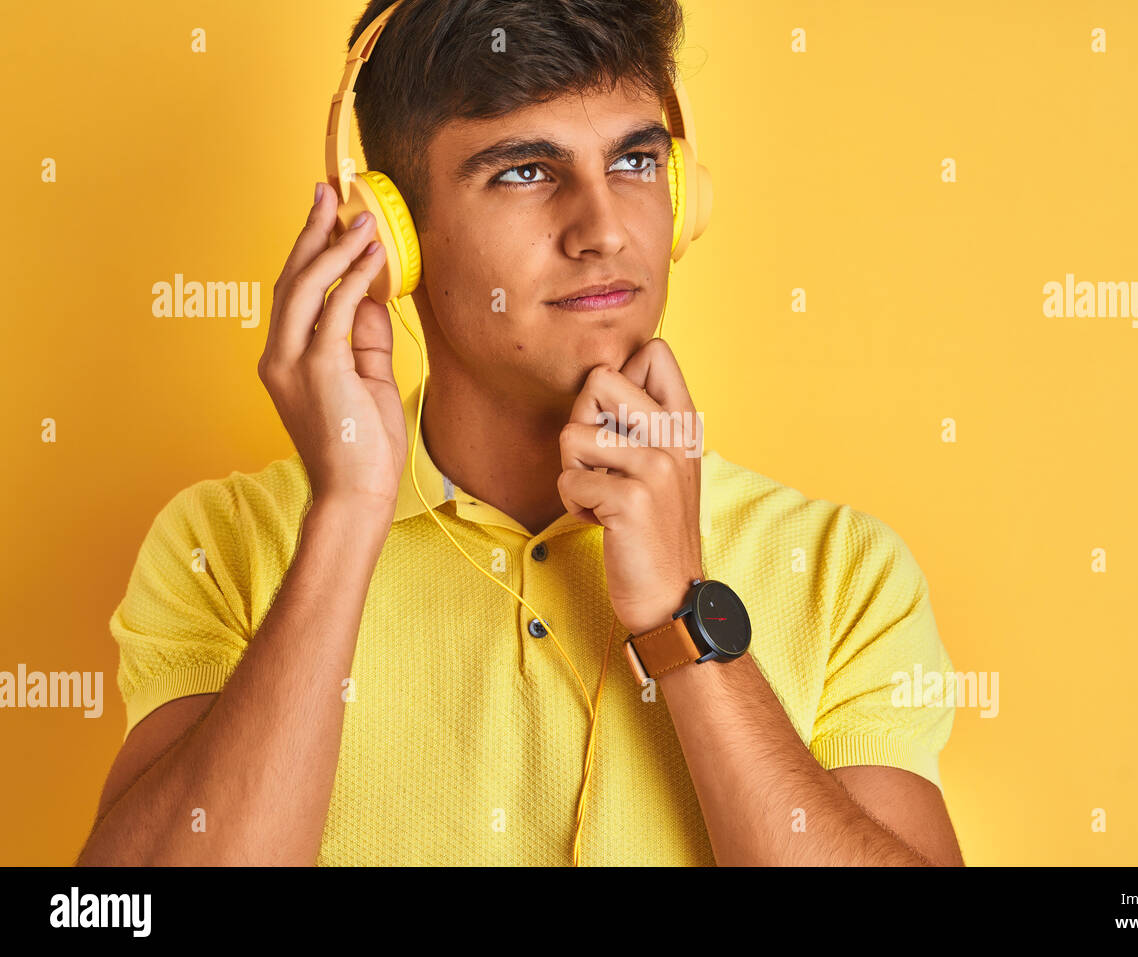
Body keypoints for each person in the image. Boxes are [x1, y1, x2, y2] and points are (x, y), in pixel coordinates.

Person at [78, 0, 963, 866]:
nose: (605, 229)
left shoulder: (844, 571)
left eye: (636, 161)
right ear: (390, 237)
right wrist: (347, 515)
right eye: (525, 172)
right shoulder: (220, 547)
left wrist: (686, 617)